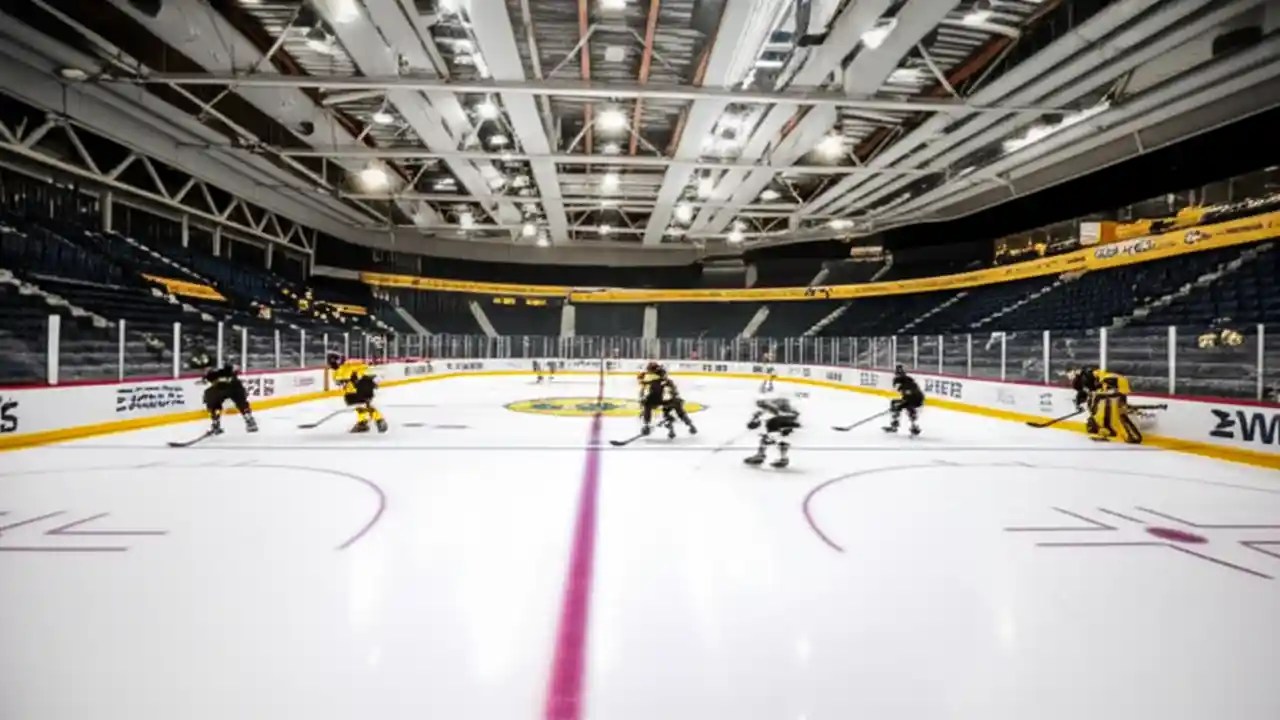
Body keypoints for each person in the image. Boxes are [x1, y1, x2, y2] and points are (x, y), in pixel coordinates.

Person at [328, 352, 387, 433]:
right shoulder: (335, 372)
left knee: (364, 405)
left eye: (337, 360)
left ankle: (378, 420)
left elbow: (364, 368)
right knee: (361, 406)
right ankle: (364, 422)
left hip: (360, 389)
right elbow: (340, 382)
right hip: (352, 392)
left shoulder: (349, 365)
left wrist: (371, 365)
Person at [197, 360, 257, 435]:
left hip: (232, 388)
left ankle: (248, 419)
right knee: (214, 399)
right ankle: (249, 420)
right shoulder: (215, 372)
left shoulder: (218, 371)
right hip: (228, 388)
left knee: (215, 400)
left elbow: (233, 369)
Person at [745, 393, 801, 468]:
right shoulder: (777, 404)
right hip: (788, 423)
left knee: (769, 438)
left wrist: (755, 421)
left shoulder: (771, 406)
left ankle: (761, 455)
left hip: (781, 423)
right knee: (778, 439)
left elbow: (770, 415)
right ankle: (782, 458)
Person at [1091, 372, 1141, 443]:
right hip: (1113, 405)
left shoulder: (1107, 383)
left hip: (1113, 405)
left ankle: (1128, 435)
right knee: (1113, 419)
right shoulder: (1116, 383)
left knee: (1116, 419)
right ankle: (1109, 432)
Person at [885, 365, 924, 436]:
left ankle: (913, 426)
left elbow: (912, 394)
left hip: (915, 399)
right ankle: (896, 423)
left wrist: (901, 404)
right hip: (911, 399)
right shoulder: (905, 380)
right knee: (895, 403)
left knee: (908, 407)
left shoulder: (906, 382)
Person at [1068, 365, 1102, 434]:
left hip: (1098, 392)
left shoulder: (1086, 375)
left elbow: (1089, 387)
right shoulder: (1079, 382)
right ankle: (1096, 425)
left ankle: (1096, 425)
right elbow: (1082, 392)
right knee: (1093, 410)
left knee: (1094, 409)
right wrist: (1078, 404)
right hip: (1095, 394)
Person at [637, 361, 667, 436]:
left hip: (652, 397)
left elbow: (640, 380)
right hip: (660, 397)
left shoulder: (648, 376)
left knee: (646, 405)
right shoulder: (660, 376)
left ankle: (646, 424)